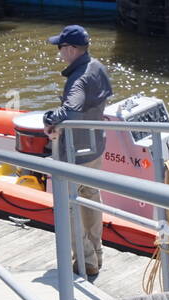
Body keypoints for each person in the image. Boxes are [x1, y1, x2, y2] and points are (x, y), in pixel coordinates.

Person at [43, 24, 113, 278]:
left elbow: (71, 109)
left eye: (61, 48)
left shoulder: (78, 78)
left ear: (71, 49)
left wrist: (50, 117)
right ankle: (97, 252)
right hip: (95, 148)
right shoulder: (97, 67)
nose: (59, 53)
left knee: (70, 205)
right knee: (92, 198)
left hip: (76, 154)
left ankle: (85, 259)